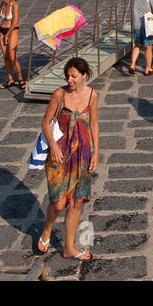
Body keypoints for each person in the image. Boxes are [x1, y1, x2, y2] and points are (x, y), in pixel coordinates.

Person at [37, 58, 99, 261]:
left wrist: (96, 152)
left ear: (84, 76)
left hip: (81, 154)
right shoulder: (59, 94)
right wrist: (53, 146)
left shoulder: (92, 95)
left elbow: (94, 124)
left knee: (76, 203)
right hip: (59, 154)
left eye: (74, 76)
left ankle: (69, 248)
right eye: (68, 76)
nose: (70, 80)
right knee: (58, 204)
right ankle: (47, 229)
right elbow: (46, 122)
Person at [127, 0, 153, 76]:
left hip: (137, 23)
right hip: (147, 25)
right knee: (148, 47)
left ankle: (132, 65)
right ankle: (148, 68)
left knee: (137, 45)